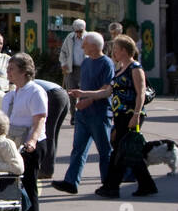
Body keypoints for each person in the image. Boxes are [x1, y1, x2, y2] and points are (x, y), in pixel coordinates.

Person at [92, 37, 160, 198]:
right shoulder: (121, 68)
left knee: (120, 150)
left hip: (131, 115)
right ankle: (146, 185)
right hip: (120, 115)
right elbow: (107, 91)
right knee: (128, 151)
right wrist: (85, 94)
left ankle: (111, 186)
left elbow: (141, 93)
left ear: (124, 50)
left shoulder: (135, 68)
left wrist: (136, 115)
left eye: (116, 49)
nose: (114, 52)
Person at [57, 32, 117, 193]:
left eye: (85, 44)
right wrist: (79, 97)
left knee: (104, 150)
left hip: (99, 113)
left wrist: (87, 100)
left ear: (94, 46)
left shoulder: (106, 63)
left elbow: (106, 89)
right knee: (78, 149)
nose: (82, 46)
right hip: (83, 113)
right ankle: (71, 182)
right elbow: (85, 86)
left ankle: (108, 183)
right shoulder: (86, 62)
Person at [1, 54, 47, 211]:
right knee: (3, 182)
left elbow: (40, 119)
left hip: (30, 145)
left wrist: (32, 141)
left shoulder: (35, 91)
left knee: (28, 184)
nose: (8, 72)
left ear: (24, 71)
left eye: (11, 68)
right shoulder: (11, 95)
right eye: (8, 69)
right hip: (13, 143)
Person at [60, 19, 87, 120]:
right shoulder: (70, 38)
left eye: (81, 31)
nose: (79, 33)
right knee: (71, 93)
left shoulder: (88, 38)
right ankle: (73, 116)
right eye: (77, 31)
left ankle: (82, 114)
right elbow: (63, 52)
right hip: (71, 68)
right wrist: (63, 63)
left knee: (83, 92)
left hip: (84, 69)